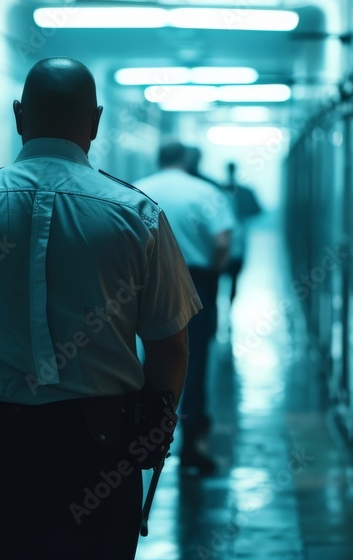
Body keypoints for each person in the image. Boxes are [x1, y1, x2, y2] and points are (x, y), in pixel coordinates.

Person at [0, 57, 201, 559]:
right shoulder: (137, 216)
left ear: (18, 116)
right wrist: (153, 429)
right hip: (101, 447)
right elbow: (170, 343)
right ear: (95, 122)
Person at [136, 142, 235, 474]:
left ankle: (141, 431)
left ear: (158, 157)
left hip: (142, 279)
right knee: (192, 356)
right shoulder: (205, 192)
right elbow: (222, 242)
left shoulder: (137, 190)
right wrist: (214, 273)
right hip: (196, 279)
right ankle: (190, 440)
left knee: (141, 354)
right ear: (187, 160)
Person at [221, 162, 262, 304]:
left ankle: (225, 305)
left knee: (225, 272)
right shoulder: (243, 192)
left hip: (231, 237)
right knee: (233, 275)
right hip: (237, 237)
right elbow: (257, 210)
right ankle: (229, 304)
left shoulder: (219, 190)